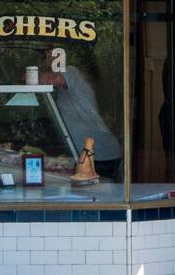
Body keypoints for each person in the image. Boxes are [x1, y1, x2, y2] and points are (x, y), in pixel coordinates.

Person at [40, 47, 121, 179]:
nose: (50, 59)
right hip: (90, 154)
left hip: (101, 155)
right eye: (46, 56)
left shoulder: (71, 72)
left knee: (94, 196)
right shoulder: (63, 85)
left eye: (53, 54)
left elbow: (50, 79)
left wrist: (26, 75)